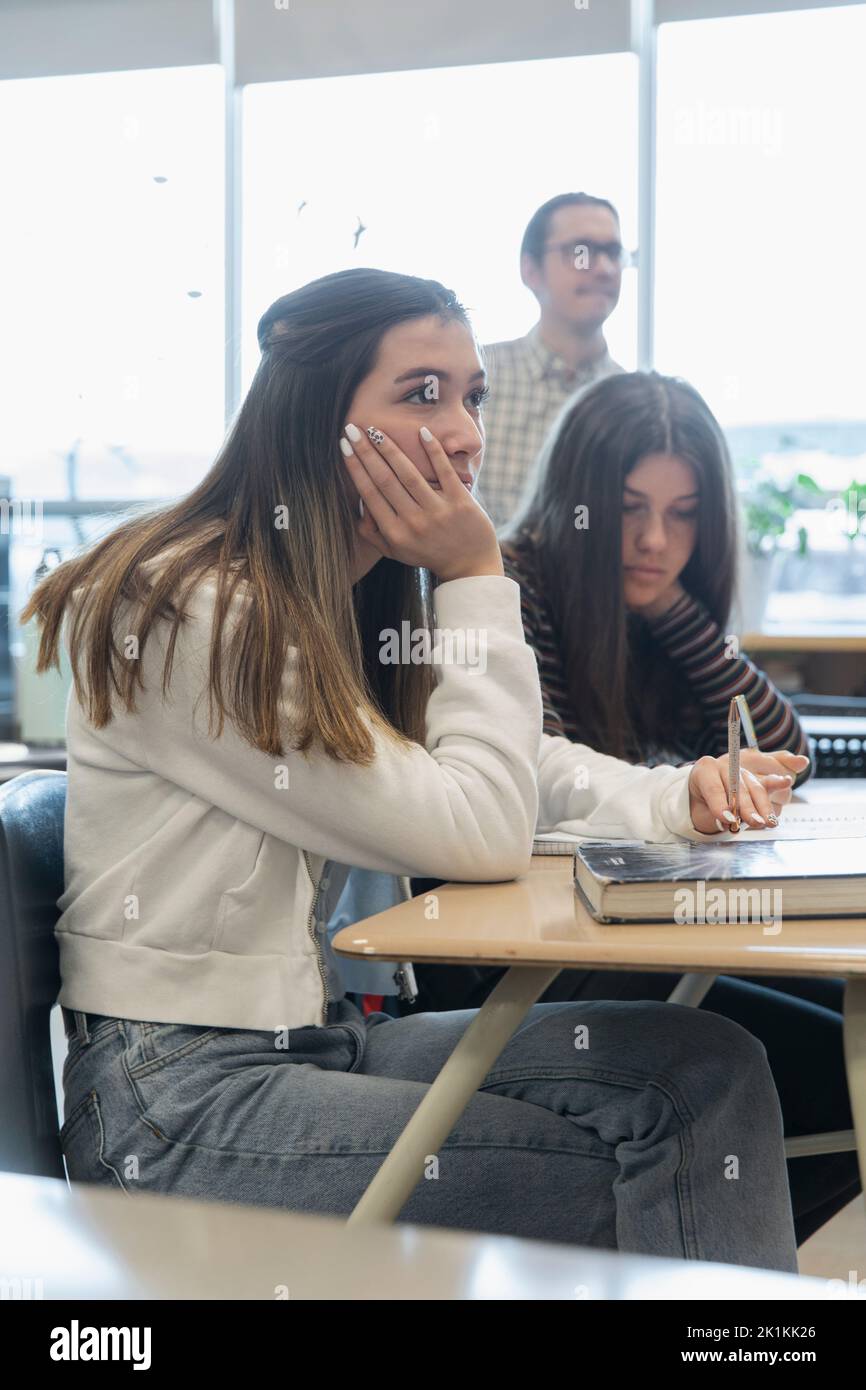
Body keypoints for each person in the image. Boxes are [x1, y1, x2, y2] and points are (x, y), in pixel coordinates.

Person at [23, 268, 797, 1269]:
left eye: (470, 393)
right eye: (421, 393)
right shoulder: (194, 611)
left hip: (314, 1041)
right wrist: (475, 574)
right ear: (316, 420)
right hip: (178, 1109)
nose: (467, 431)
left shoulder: (329, 595)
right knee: (659, 1167)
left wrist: (671, 796)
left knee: (700, 1067)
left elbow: (498, 759)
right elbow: (471, 829)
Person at [404, 369, 859, 1246]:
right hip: (516, 951)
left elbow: (783, 744)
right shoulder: (511, 589)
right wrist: (677, 795)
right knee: (830, 1075)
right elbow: (540, 787)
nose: (655, 538)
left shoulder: (661, 611)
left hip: (636, 935)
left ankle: (690, 1254)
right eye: (628, 509)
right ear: (579, 499)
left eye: (684, 514)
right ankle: (683, 1260)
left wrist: (675, 612)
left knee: (846, 1036)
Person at [479, 192, 626, 528]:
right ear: (531, 270)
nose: (604, 268)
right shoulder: (475, 379)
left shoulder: (634, 404)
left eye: (613, 253)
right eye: (581, 252)